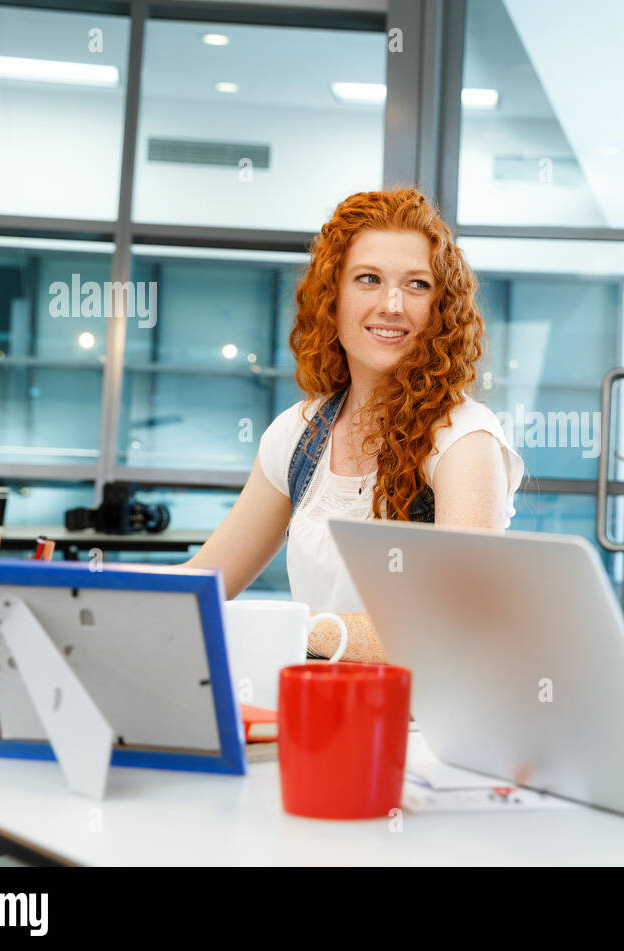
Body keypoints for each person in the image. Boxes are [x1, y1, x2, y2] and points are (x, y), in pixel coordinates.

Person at [188, 188, 524, 661]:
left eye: (417, 284)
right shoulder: (299, 432)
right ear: (333, 295)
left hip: (422, 726)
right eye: (368, 278)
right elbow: (201, 583)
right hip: (319, 706)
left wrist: (292, 630)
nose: (391, 304)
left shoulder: (465, 440)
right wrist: (82, 588)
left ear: (441, 308)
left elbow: (457, 620)